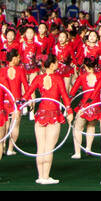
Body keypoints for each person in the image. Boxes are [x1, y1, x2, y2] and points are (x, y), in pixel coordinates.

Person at [24, 52, 71, 184]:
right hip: (53, 115)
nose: (58, 64)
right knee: (49, 148)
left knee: (41, 147)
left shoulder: (38, 78)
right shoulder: (58, 78)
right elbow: (64, 96)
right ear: (51, 65)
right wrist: (69, 110)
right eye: (56, 62)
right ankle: (45, 177)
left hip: (41, 114)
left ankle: (41, 176)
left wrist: (19, 104)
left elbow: (27, 94)